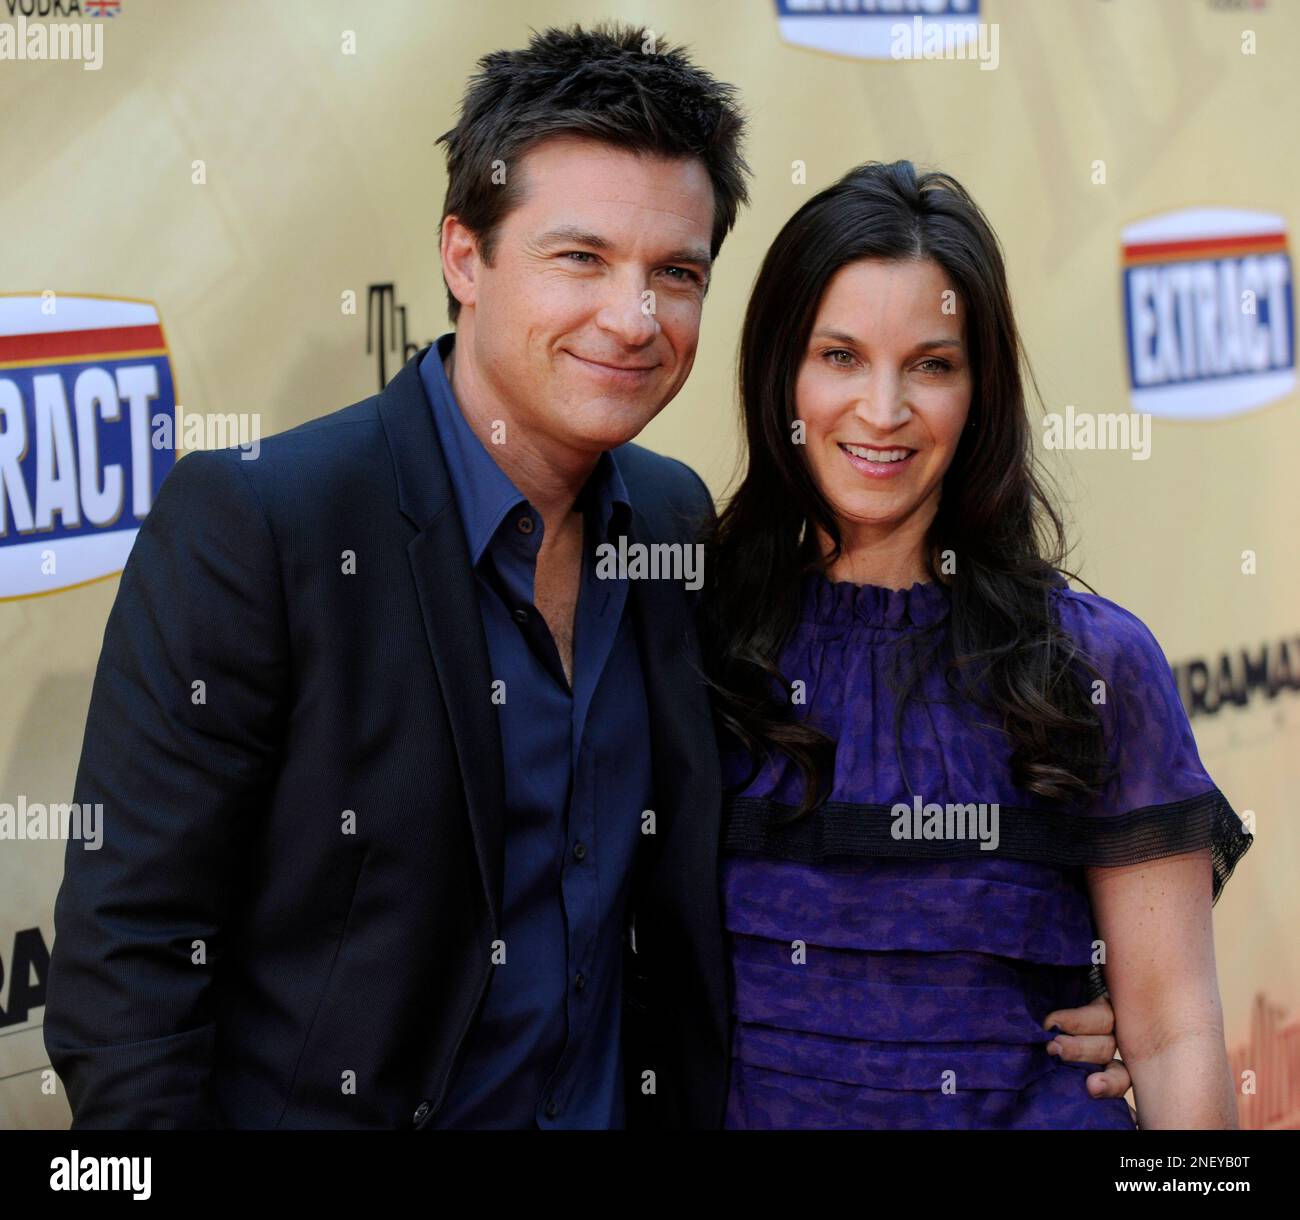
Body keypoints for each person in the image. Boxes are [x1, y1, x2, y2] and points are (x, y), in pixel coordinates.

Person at [43, 26, 1132, 1130]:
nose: (634, 318)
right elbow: (126, 966)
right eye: (581, 258)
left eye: (675, 273)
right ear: (464, 255)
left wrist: (1100, 985)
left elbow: (823, 841)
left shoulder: (670, 525)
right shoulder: (262, 525)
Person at [701, 160, 1254, 1129]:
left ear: (979, 388)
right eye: (839, 355)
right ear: (777, 371)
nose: (883, 408)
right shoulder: (696, 645)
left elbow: (1170, 1031)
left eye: (931, 362)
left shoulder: (1089, 664)